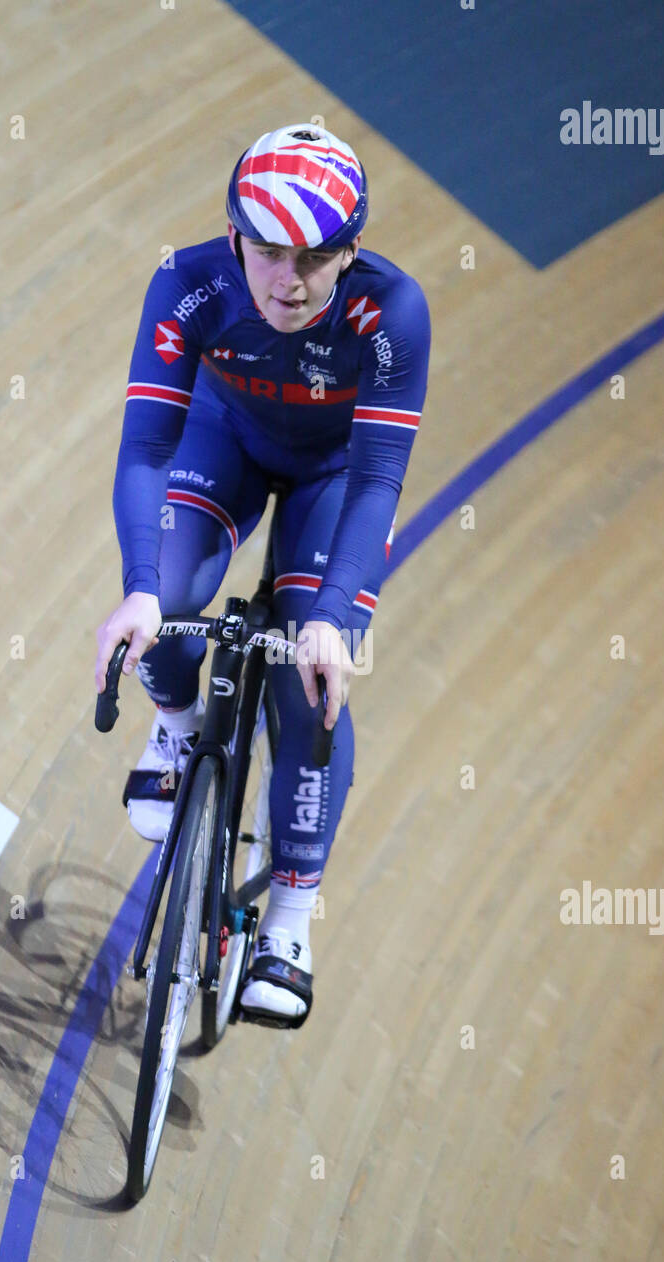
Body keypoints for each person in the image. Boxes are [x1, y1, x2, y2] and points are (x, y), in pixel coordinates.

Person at [95, 122, 430, 1025]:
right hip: (223, 439)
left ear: (352, 249)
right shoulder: (189, 282)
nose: (292, 281)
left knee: (309, 685)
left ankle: (286, 920)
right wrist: (136, 586)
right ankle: (176, 726)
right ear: (234, 237)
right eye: (271, 253)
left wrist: (330, 616)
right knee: (163, 604)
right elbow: (146, 448)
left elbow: (377, 477)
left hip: (334, 480)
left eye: (318, 258)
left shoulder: (391, 311)